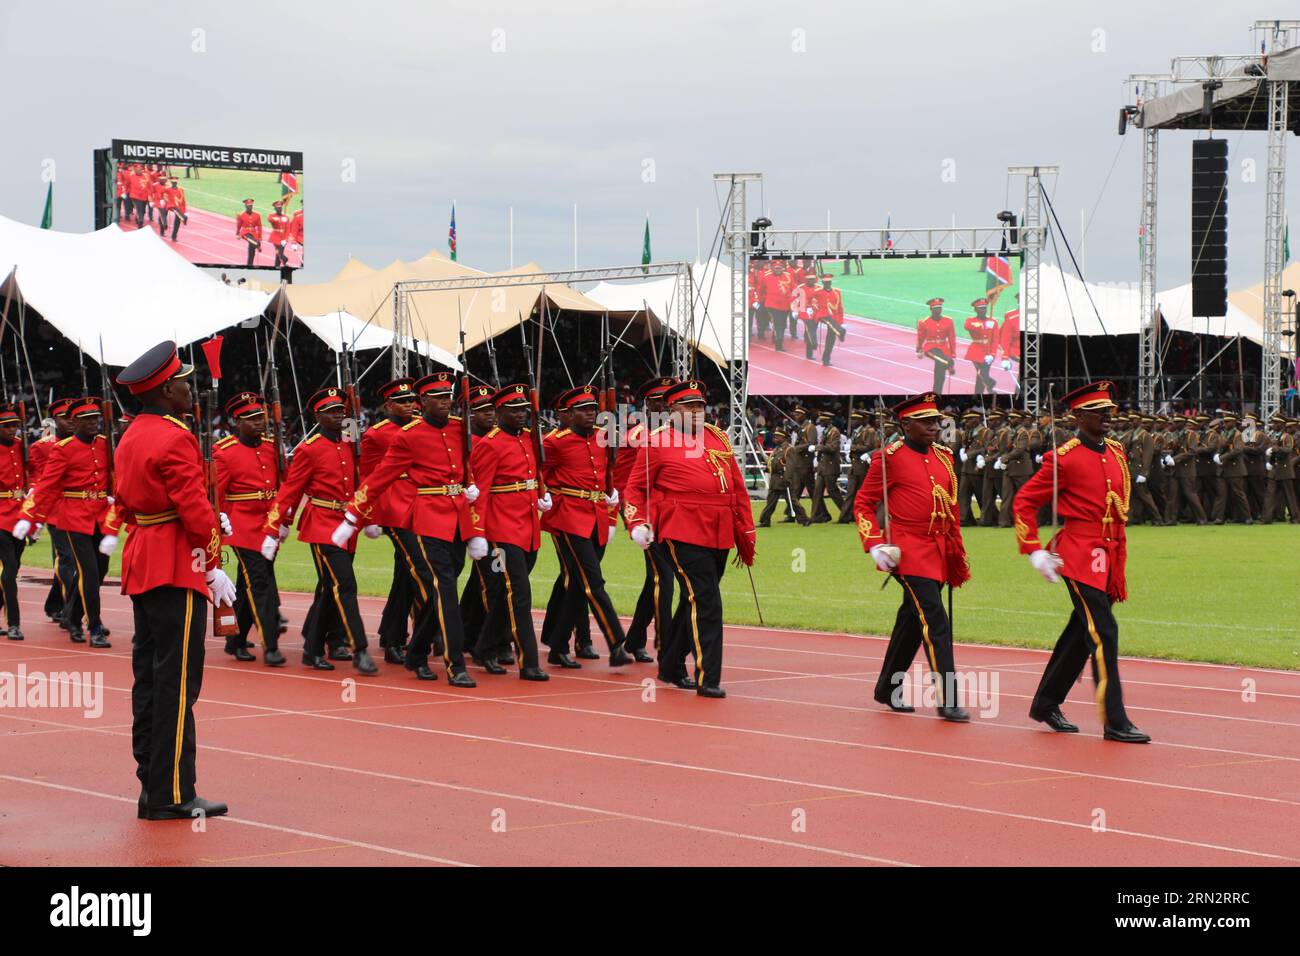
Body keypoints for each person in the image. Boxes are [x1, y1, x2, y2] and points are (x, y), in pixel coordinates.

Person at [113, 340, 234, 820]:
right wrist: (214, 563)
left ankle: (152, 782)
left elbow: (129, 504)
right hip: (178, 561)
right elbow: (190, 506)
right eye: (183, 381)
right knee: (179, 683)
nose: (190, 388)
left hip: (145, 557)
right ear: (165, 390)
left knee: (151, 677)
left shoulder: (133, 434)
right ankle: (173, 792)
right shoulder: (175, 436)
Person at [1011, 380, 1149, 744]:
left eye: (1109, 411)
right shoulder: (1063, 458)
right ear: (1078, 416)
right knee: (1104, 632)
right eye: (1098, 412)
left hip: (1111, 551)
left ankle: (1045, 703)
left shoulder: (1116, 451)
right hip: (1077, 554)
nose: (1107, 416)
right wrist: (1034, 549)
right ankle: (1115, 720)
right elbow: (1024, 502)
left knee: (1080, 633)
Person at [337, 372, 478, 687]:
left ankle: (414, 651)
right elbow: (378, 477)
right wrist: (355, 516)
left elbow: (479, 453)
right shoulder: (408, 435)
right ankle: (455, 664)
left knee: (442, 585)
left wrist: (471, 486)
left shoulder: (459, 428)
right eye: (438, 398)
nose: (446, 402)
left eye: (448, 396)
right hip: (425, 518)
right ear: (424, 401)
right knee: (443, 588)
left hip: (458, 519)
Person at [624, 379, 755, 698]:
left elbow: (736, 485)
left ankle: (669, 664)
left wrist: (745, 529)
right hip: (680, 528)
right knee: (707, 600)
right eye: (689, 407)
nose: (697, 412)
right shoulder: (656, 441)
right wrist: (636, 523)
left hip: (719, 529)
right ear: (672, 411)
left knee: (693, 598)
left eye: (700, 405)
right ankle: (708, 675)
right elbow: (635, 488)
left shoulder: (717, 436)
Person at [853, 392, 970, 721]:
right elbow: (863, 503)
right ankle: (948, 698)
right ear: (905, 424)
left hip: (937, 549)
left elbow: (950, 507)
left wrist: (955, 549)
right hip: (907, 550)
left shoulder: (945, 457)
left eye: (936, 420)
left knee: (911, 622)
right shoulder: (888, 458)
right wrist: (874, 543)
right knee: (935, 620)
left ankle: (887, 688)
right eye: (926, 421)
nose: (934, 426)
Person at [261, 387, 379, 675]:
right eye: (331, 411)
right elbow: (289, 492)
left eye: (341, 410)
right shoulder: (309, 449)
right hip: (322, 524)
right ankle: (360, 649)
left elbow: (360, 483)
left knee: (329, 589)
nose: (338, 415)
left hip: (346, 524)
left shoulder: (351, 444)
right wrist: (273, 528)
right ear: (317, 415)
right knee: (346, 585)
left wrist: (368, 517)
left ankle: (312, 649)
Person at [539, 385, 632, 668]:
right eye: (583, 410)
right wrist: (544, 495)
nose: (590, 413)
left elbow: (607, 473)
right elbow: (537, 472)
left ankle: (557, 645)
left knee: (578, 585)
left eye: (593, 408)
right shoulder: (554, 442)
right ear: (568, 414)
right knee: (593, 581)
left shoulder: (603, 438)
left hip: (596, 516)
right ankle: (617, 642)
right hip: (568, 517)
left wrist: (611, 498)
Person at [16, 396, 120, 646]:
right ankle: (93, 627)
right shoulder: (63, 450)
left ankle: (73, 616)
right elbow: (47, 485)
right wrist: (28, 517)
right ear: (75, 422)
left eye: (96, 418)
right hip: (74, 517)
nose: (94, 423)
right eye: (87, 420)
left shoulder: (105, 445)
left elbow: (114, 478)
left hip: (101, 516)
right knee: (89, 572)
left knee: (101, 570)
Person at [467, 384, 550, 681]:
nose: (521, 414)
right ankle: (528, 661)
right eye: (514, 409)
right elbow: (482, 492)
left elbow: (535, 472)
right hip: (501, 530)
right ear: (499, 411)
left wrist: (542, 492)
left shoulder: (528, 438)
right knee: (520, 594)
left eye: (524, 409)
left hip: (528, 526)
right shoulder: (490, 444)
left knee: (505, 593)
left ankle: (483, 646)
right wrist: (477, 532)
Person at [213, 392, 286, 666]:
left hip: (268, 526)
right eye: (251, 418)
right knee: (261, 585)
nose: (259, 423)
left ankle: (235, 639)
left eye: (261, 417)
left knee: (247, 586)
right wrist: (219, 527)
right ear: (236, 421)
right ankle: (271, 645)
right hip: (242, 528)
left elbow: (283, 486)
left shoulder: (271, 447)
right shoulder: (225, 452)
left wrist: (284, 521)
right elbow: (216, 495)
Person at [614, 376, 677, 661]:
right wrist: (633, 521)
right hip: (646, 515)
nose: (665, 403)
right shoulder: (635, 435)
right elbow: (623, 482)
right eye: (658, 399)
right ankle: (665, 644)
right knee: (663, 577)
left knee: (657, 577)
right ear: (647, 404)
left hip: (672, 513)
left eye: (668, 398)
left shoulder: (679, 432)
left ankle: (636, 638)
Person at [360, 378, 420, 665]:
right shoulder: (377, 434)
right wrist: (370, 517)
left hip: (421, 508)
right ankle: (395, 638)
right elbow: (370, 477)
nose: (410, 405)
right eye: (403, 401)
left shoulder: (421, 427)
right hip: (395, 509)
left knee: (406, 575)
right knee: (412, 572)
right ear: (388, 405)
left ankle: (391, 632)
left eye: (412, 400)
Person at [457, 384, 510, 664]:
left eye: (492, 410)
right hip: (471, 522)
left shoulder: (501, 440)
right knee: (493, 583)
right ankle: (497, 641)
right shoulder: (465, 441)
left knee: (485, 581)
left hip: (498, 523)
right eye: (483, 410)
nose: (490, 415)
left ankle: (469, 633)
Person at [0, 405, 27, 640]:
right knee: (9, 569)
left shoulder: (21, 447)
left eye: (14, 425)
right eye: (6, 426)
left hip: (19, 514)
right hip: (0, 515)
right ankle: (14, 623)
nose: (11, 429)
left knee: (13, 567)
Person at [809, 410, 845, 522]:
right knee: (817, 491)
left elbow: (832, 448)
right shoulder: (826, 431)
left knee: (833, 491)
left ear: (827, 420)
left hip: (830, 466)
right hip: (822, 466)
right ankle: (817, 516)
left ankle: (847, 513)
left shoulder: (834, 432)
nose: (820, 422)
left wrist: (817, 447)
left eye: (822, 420)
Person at [915, 298, 956, 393]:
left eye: (940, 308)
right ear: (931, 309)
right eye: (936, 308)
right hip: (930, 348)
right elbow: (921, 337)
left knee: (940, 376)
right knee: (945, 361)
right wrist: (919, 349)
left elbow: (952, 338)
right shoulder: (924, 322)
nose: (938, 310)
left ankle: (937, 393)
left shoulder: (948, 321)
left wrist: (953, 353)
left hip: (944, 349)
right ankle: (950, 364)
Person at [962, 298, 999, 395]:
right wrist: (983, 326)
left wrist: (992, 354)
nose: (983, 310)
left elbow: (995, 340)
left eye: (984, 308)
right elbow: (967, 326)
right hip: (976, 351)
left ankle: (978, 394)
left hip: (988, 352)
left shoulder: (993, 322)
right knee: (982, 374)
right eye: (980, 308)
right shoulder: (971, 320)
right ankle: (990, 384)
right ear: (975, 310)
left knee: (982, 375)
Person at [812, 274, 846, 366]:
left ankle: (826, 359)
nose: (828, 284)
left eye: (829, 282)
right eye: (826, 282)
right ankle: (840, 331)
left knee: (830, 338)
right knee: (830, 322)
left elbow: (840, 307)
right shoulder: (817, 292)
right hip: (822, 315)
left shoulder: (837, 292)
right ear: (823, 282)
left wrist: (841, 321)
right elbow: (813, 304)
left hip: (834, 317)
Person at [235, 198, 263, 269]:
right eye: (248, 206)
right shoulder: (241, 215)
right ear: (245, 206)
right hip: (245, 233)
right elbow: (239, 225)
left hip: (254, 233)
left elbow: (259, 226)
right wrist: (237, 234)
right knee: (254, 242)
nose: (250, 207)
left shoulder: (257, 215)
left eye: (251, 205)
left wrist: (260, 236)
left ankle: (249, 265)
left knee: (251, 252)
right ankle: (257, 245)